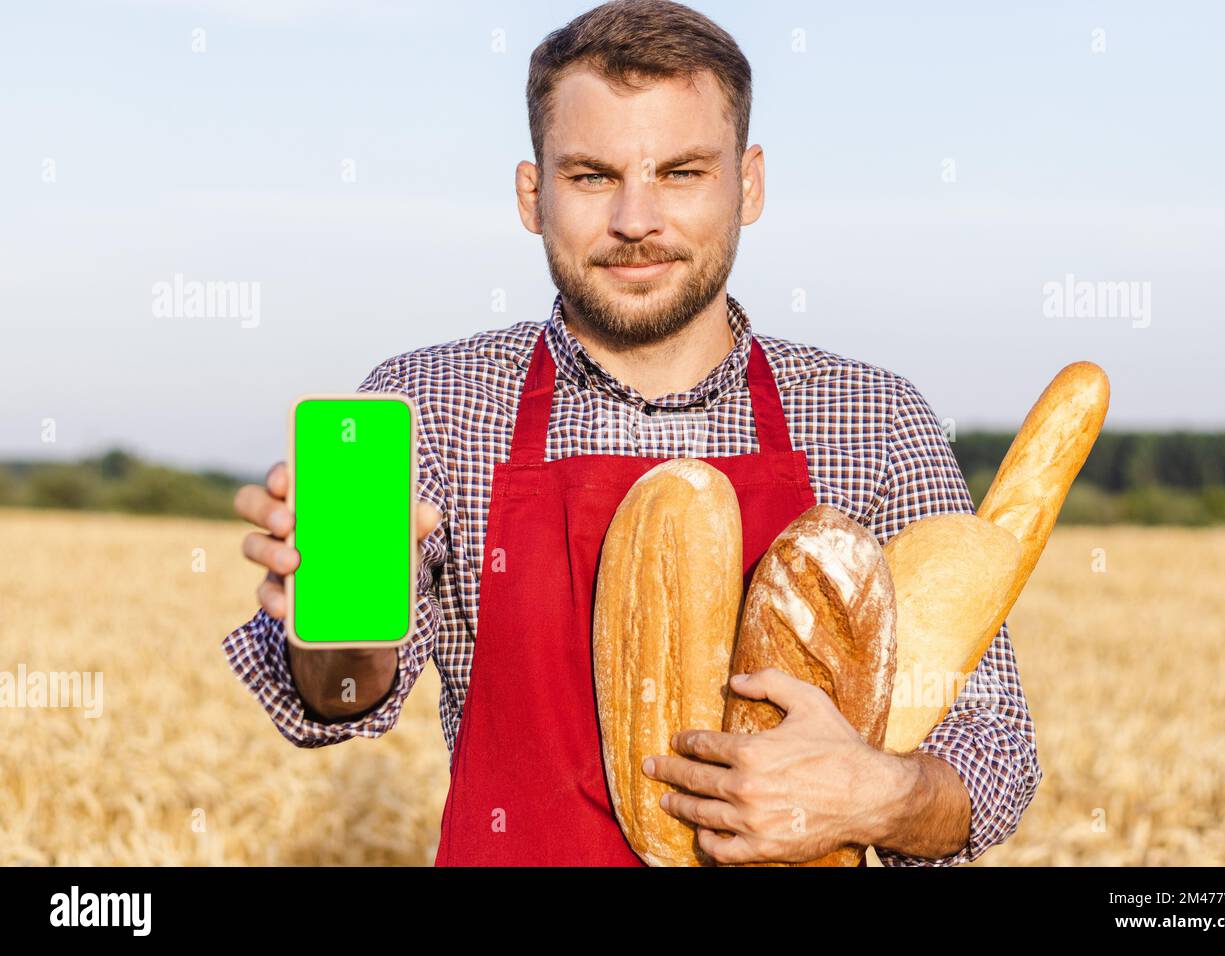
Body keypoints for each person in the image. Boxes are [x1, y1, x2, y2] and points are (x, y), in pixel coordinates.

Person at [225, 0, 1042, 866]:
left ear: (750, 183)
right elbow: (343, 699)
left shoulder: (872, 418)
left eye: (682, 172)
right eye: (591, 176)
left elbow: (991, 753)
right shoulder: (433, 403)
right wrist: (339, 632)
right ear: (532, 195)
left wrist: (880, 793)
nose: (636, 219)